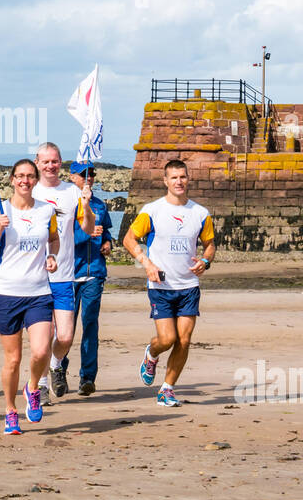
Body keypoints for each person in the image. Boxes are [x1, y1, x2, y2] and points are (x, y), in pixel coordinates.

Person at [122, 158, 215, 407]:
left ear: (188, 179)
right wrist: (147, 263)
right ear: (165, 181)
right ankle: (151, 355)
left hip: (188, 286)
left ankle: (167, 389)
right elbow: (129, 239)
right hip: (161, 286)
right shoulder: (152, 211)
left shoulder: (200, 213)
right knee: (167, 340)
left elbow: (210, 245)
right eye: (174, 177)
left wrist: (205, 262)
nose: (179, 181)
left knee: (184, 340)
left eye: (183, 176)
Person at [0, 159, 58, 435]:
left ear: (36, 180)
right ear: (12, 180)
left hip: (39, 292)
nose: (25, 180)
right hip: (6, 293)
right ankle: (10, 411)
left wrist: (51, 257)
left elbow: (54, 241)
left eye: (30, 176)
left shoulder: (46, 211)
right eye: (20, 176)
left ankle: (33, 387)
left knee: (41, 350)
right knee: (13, 360)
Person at [31, 142, 94, 399]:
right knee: (43, 340)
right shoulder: (29, 190)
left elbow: (88, 229)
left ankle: (57, 366)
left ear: (61, 163)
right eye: (45, 161)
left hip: (64, 275)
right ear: (37, 163)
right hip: (33, 279)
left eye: (55, 161)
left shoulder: (72, 192)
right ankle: (42, 385)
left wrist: (87, 205)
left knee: (65, 337)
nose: (50, 166)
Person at [69, 162, 113, 396]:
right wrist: (84, 234)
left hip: (95, 272)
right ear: (72, 177)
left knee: (90, 324)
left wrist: (107, 243)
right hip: (69, 273)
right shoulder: (67, 204)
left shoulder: (99, 204)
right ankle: (58, 372)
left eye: (92, 174)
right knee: (64, 329)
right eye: (83, 174)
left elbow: (106, 232)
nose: (89, 178)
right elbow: (60, 238)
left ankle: (87, 378)